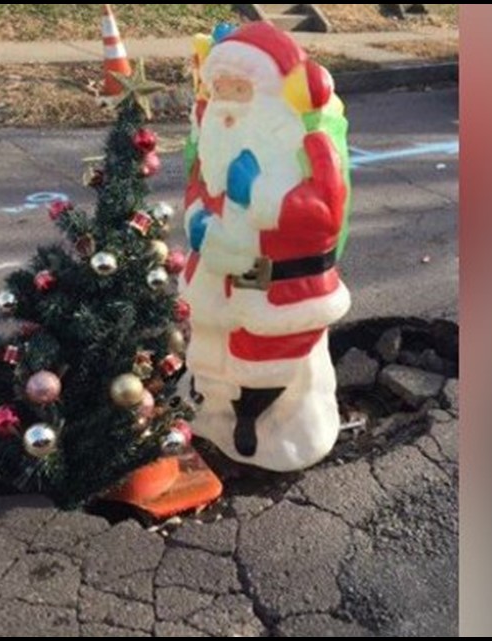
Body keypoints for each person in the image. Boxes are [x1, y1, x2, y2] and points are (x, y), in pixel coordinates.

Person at [180, 22, 351, 471]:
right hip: (218, 271)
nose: (229, 101)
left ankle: (252, 417)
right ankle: (215, 408)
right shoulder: (213, 133)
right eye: (223, 89)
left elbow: (324, 213)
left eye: (241, 88)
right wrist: (197, 219)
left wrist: (258, 192)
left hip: (276, 280)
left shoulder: (306, 143)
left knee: (263, 353)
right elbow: (198, 184)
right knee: (214, 346)